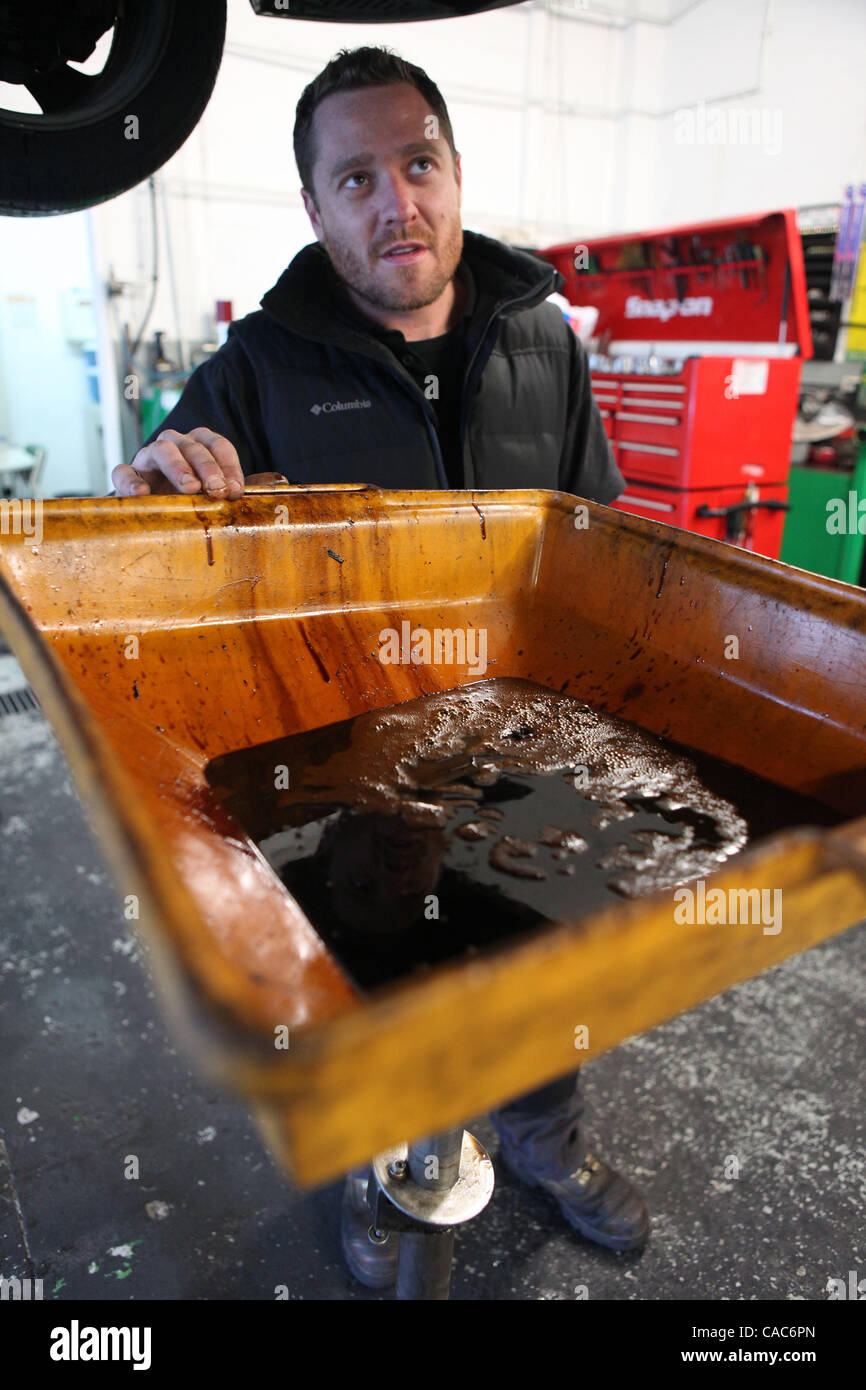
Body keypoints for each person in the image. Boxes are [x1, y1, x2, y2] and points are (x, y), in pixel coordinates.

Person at [112, 44, 647, 1284]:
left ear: (454, 172)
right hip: (353, 776)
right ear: (315, 207)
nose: (394, 201)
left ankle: (543, 1140)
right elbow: (143, 539)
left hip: (524, 763)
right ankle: (383, 1172)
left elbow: (601, 544)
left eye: (417, 164)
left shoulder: (543, 342)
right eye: (355, 178)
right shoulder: (257, 368)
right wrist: (150, 487)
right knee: (377, 989)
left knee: (537, 966)